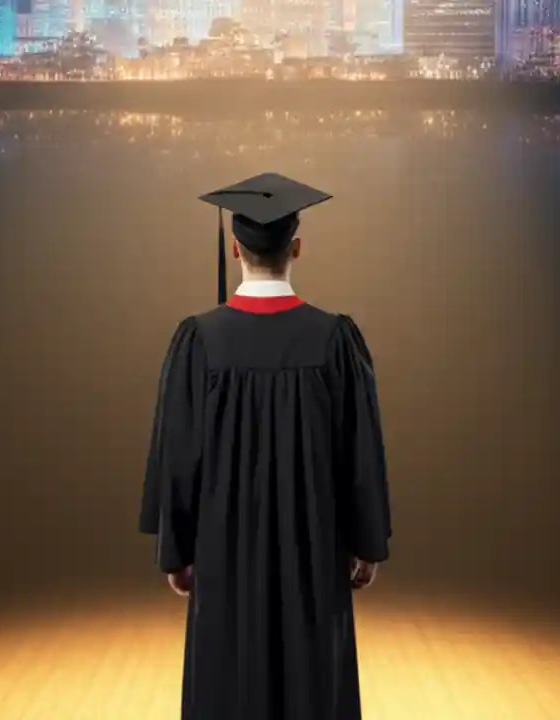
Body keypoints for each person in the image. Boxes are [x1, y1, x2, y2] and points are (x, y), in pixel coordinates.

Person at [139, 172, 392, 720]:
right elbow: (361, 451)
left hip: (224, 559)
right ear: (296, 247)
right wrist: (367, 544)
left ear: (235, 250)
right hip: (315, 560)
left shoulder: (199, 341)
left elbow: (178, 453)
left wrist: (177, 553)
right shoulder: (335, 339)